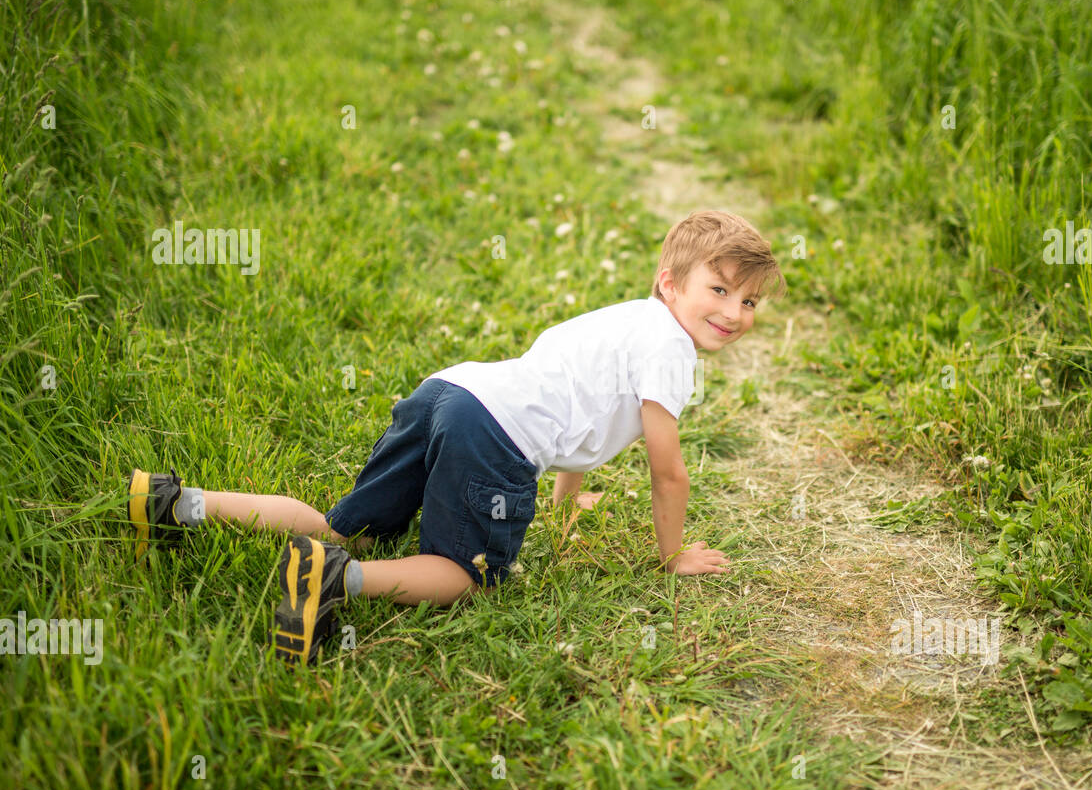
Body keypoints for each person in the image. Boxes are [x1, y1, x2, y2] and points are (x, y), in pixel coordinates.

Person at [126, 210, 787, 665]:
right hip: (491, 433)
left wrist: (564, 504)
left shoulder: (624, 320)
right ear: (671, 283)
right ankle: (336, 581)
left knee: (342, 522)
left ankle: (179, 503)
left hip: (448, 391)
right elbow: (667, 471)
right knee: (466, 577)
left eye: (750, 302)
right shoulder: (671, 350)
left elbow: (575, 420)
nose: (734, 312)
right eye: (720, 290)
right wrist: (671, 556)